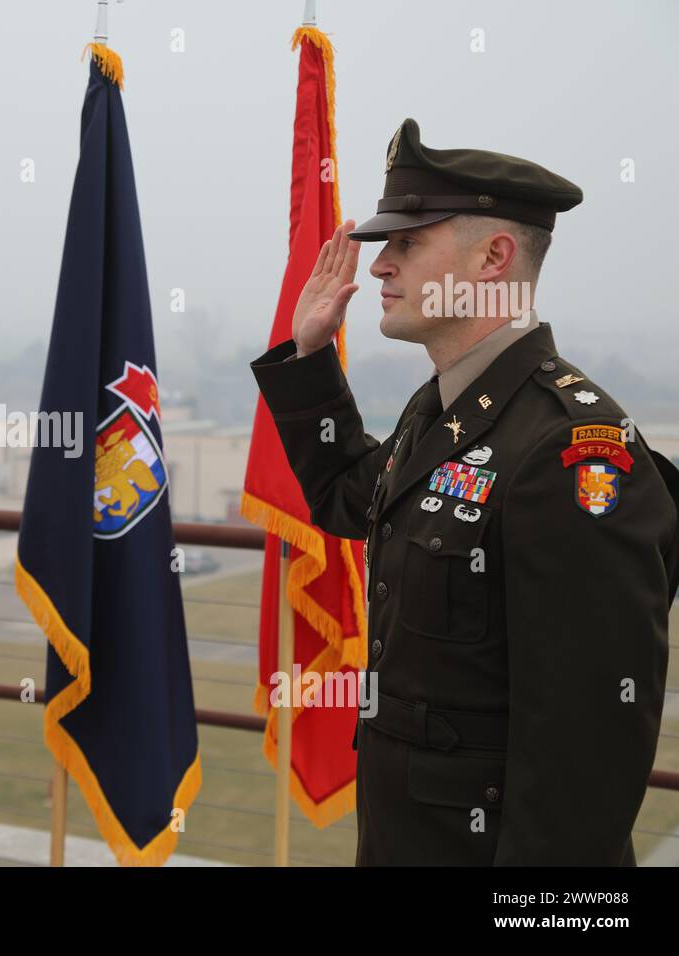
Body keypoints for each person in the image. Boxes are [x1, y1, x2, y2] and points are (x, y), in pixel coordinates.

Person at [251, 118, 679, 865]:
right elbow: (353, 497)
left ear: (493, 257)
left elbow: (584, 756)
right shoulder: (444, 409)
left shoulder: (572, 452)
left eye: (408, 244)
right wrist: (310, 358)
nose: (379, 267)